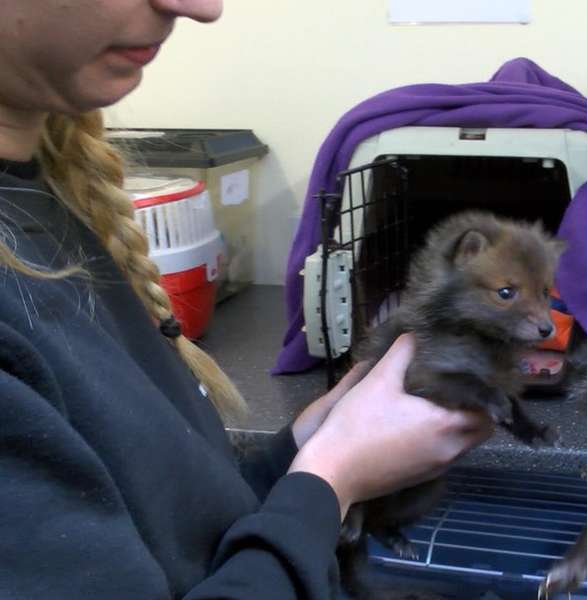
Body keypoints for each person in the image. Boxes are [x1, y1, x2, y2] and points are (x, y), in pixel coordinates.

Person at [0, 1, 492, 598]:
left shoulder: (45, 203)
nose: (202, 7)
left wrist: (304, 446)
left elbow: (176, 528)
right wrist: (330, 480)